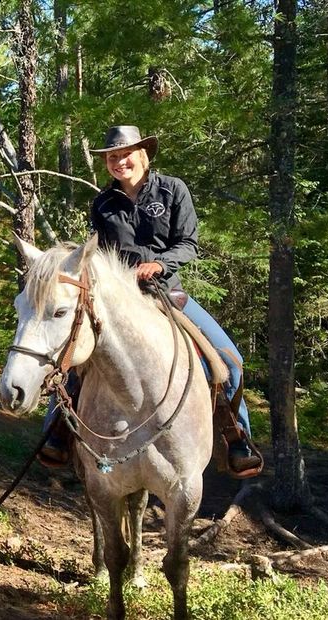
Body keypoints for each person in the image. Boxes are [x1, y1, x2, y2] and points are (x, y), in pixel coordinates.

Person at [39, 125, 261, 476]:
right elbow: (98, 254)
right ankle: (56, 433)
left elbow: (188, 243)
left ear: (142, 154)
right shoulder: (103, 204)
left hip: (167, 294)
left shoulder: (173, 190)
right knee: (72, 357)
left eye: (124, 154)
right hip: (118, 300)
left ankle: (237, 438)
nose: (118, 162)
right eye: (112, 157)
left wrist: (160, 263)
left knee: (229, 361)